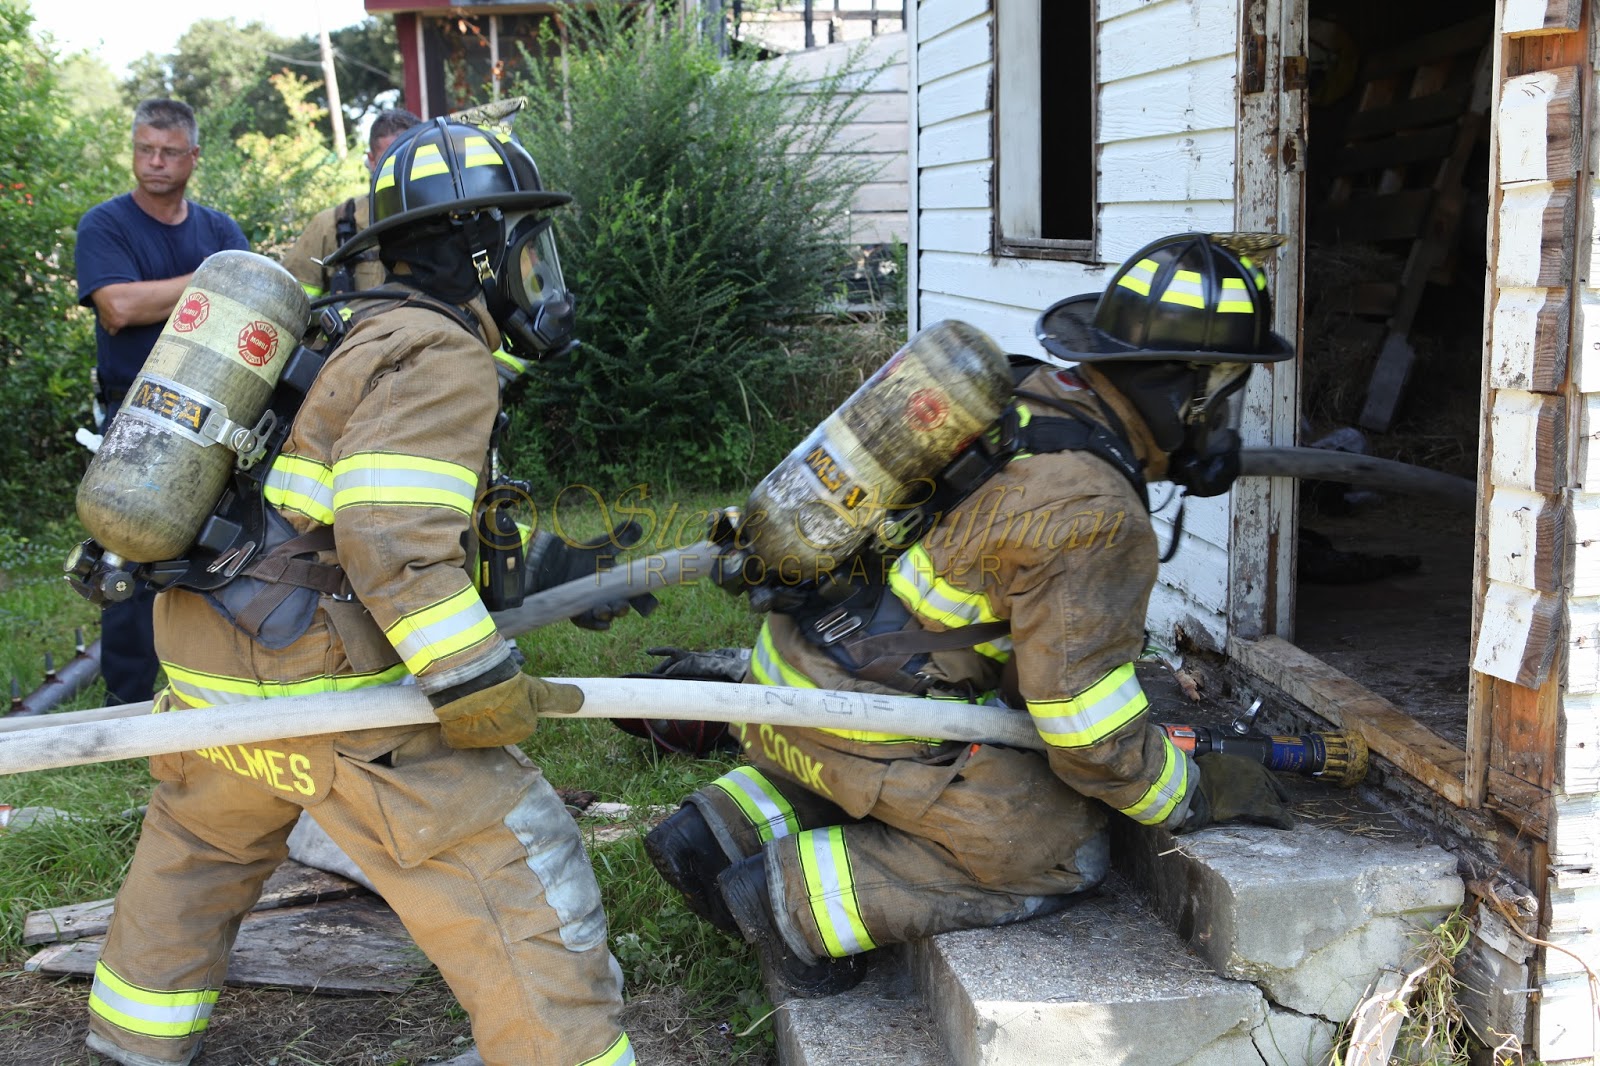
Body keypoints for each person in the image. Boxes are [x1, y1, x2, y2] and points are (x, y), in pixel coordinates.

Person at [84, 118, 633, 1066]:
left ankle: (130, 1048)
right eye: (526, 250)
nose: (537, 276)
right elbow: (390, 537)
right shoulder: (436, 350)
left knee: (198, 854)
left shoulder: (342, 329)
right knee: (512, 859)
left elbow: (328, 509)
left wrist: (542, 567)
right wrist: (475, 681)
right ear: (479, 248)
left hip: (213, 660)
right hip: (322, 684)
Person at [644, 232, 1301, 996]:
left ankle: (718, 829)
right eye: (1224, 395)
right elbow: (1083, 734)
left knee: (947, 749)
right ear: (1184, 394)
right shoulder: (1097, 509)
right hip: (860, 718)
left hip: (782, 677)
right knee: (1057, 847)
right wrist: (1185, 791)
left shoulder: (1023, 400)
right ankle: (793, 906)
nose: (1224, 420)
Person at [75, 98, 250, 707]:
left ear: (193, 157)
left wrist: (203, 285)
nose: (154, 162)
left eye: (169, 151)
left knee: (225, 548)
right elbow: (118, 308)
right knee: (128, 549)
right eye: (145, 149)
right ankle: (125, 702)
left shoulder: (219, 230)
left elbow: (252, 310)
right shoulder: (107, 225)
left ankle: (215, 688)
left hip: (219, 410)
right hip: (136, 408)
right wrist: (212, 281)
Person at [278, 107, 421, 300]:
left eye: (410, 158)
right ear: (371, 160)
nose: (400, 170)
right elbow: (289, 303)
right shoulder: (332, 224)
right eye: (389, 160)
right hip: (357, 330)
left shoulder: (452, 219)